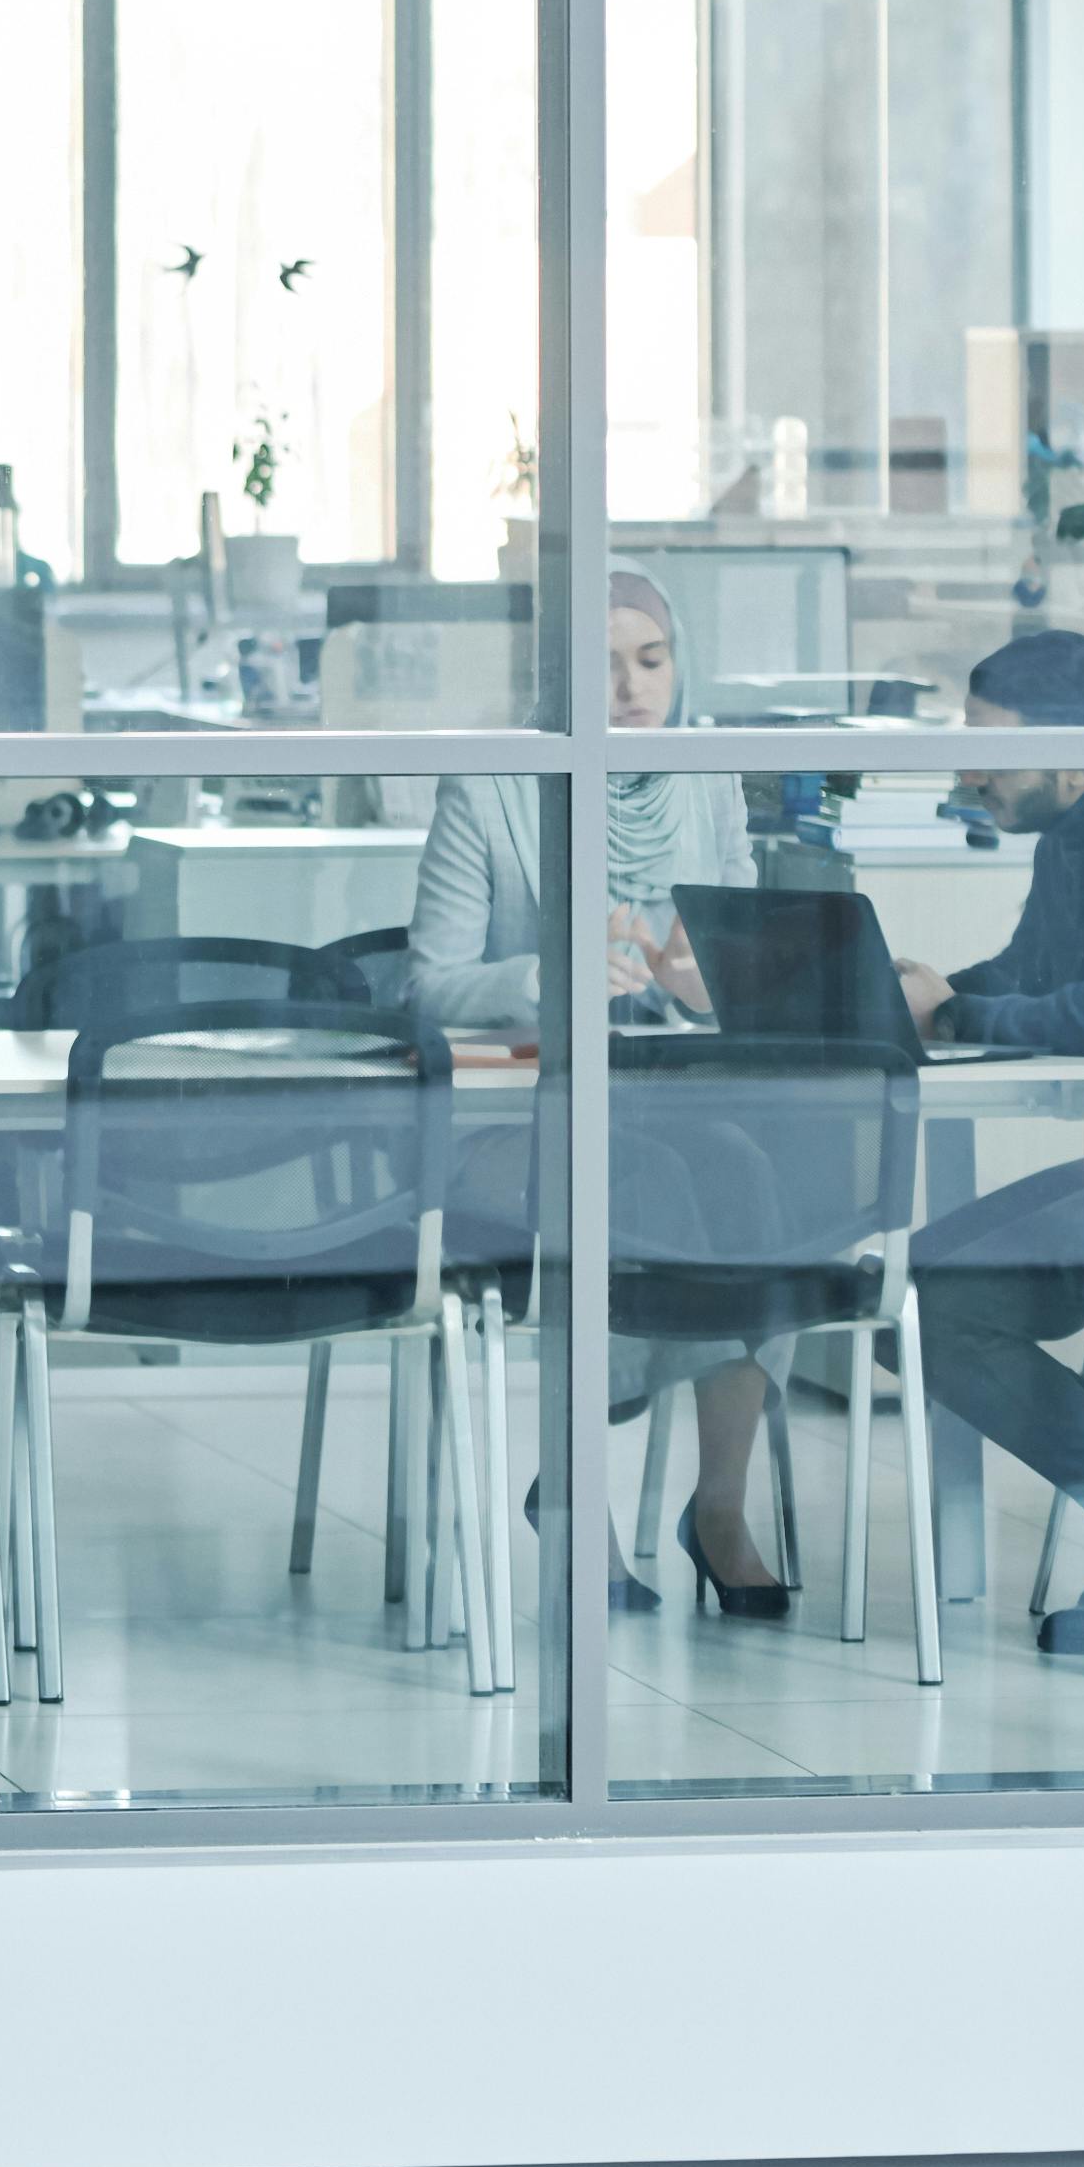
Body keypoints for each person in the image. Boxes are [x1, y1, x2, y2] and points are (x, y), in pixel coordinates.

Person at [411, 570, 792, 1614]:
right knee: (643, 1177)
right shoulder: (493, 784)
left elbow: (736, 966)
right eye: (603, 665)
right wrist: (551, 973)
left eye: (652, 661)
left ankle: (718, 1507)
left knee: (762, 1182)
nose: (630, 688)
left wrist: (696, 978)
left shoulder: (703, 778)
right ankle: (578, 1492)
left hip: (676, 1094)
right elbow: (429, 981)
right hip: (518, 1122)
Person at [893, 626, 1084, 1657]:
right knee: (919, 1279)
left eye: (992, 746)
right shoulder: (1075, 834)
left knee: (939, 1307)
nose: (967, 768)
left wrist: (958, 1020)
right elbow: (1033, 972)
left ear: (1080, 754)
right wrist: (925, 999)